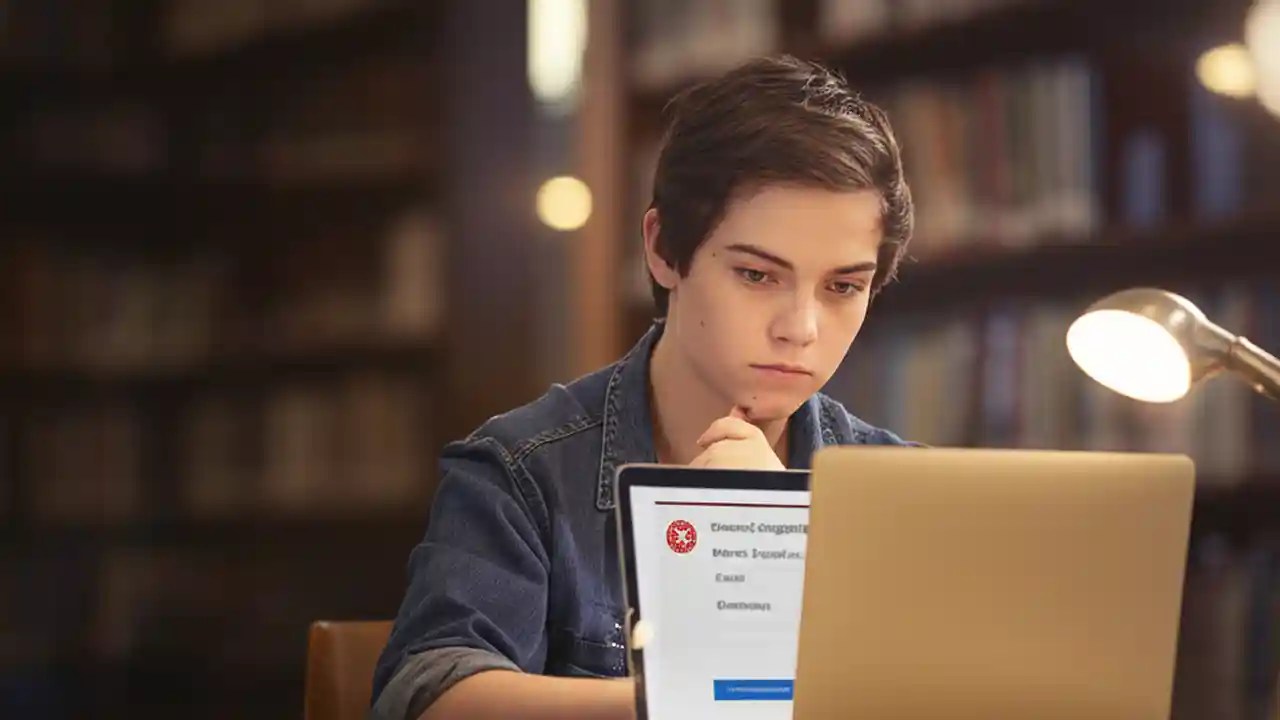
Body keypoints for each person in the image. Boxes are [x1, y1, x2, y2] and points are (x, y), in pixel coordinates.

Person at [370, 54, 915, 720]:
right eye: (756, 275)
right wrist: (700, 702)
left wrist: (777, 526)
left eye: (843, 287)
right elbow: (427, 697)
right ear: (663, 250)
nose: (800, 329)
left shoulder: (898, 490)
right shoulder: (523, 469)